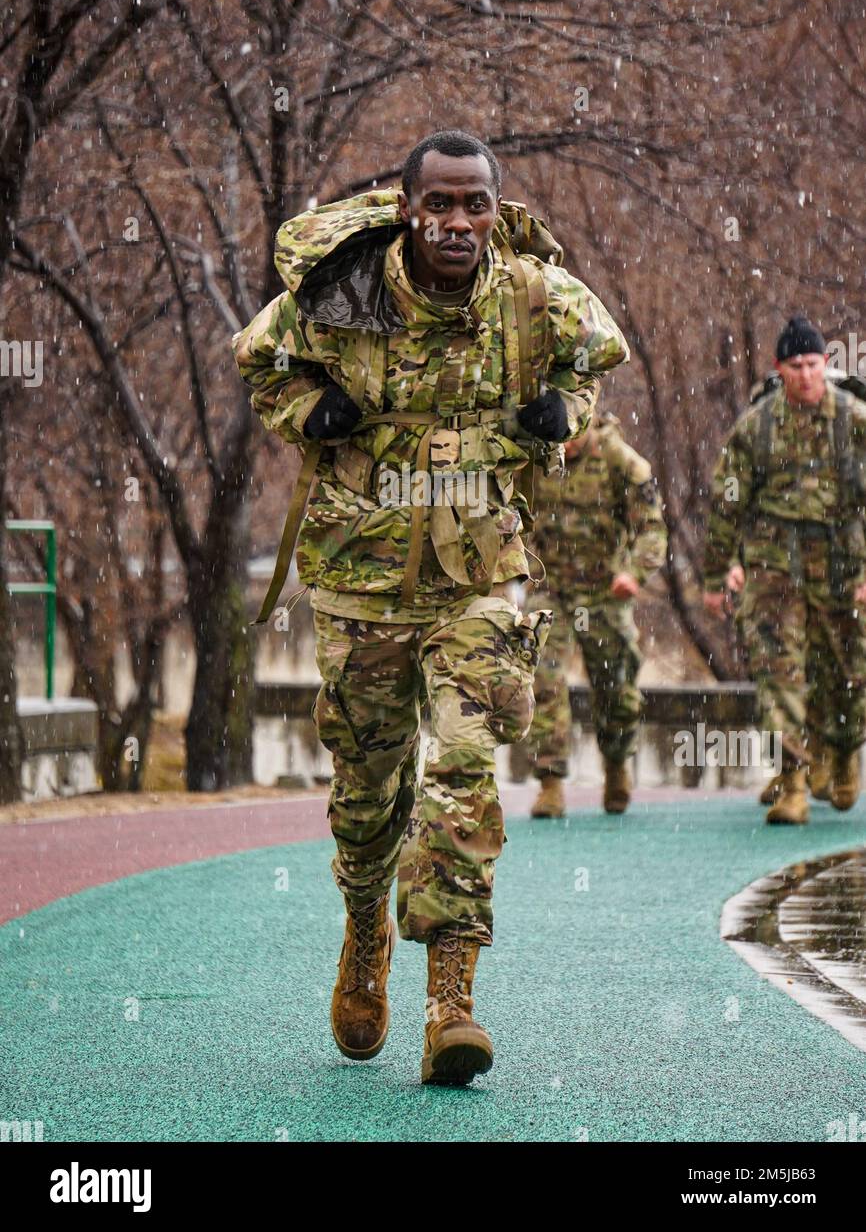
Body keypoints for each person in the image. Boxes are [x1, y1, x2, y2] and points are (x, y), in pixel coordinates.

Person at [232, 130, 628, 1084]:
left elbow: (601, 355)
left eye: (476, 205)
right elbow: (259, 360)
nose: (457, 222)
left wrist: (562, 413)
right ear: (407, 207)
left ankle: (452, 999)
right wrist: (306, 411)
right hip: (361, 574)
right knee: (368, 797)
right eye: (440, 204)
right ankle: (365, 927)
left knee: (459, 774)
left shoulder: (536, 298)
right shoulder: (342, 296)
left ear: (496, 211)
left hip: (481, 573)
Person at [703, 316, 866, 825]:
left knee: (848, 672)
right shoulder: (758, 426)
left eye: (813, 365)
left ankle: (841, 753)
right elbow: (727, 500)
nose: (804, 375)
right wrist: (717, 572)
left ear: (827, 365)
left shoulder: (854, 421)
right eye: (794, 366)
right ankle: (792, 781)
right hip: (775, 565)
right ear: (779, 369)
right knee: (780, 673)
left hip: (842, 561)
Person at [512, 410, 666, 817]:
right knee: (541, 676)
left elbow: (652, 529)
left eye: (568, 435)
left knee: (614, 684)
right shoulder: (533, 456)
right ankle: (550, 781)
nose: (562, 444)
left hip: (603, 590)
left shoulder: (621, 462)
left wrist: (633, 573)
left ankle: (616, 764)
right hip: (550, 590)